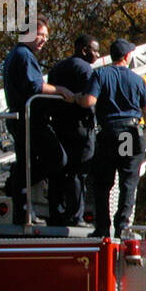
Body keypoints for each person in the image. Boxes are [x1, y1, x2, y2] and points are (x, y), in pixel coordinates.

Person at [82, 39, 146, 238]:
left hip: (108, 133)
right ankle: (122, 226)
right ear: (126, 57)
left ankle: (102, 227)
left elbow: (89, 101)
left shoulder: (100, 74)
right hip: (128, 134)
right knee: (127, 181)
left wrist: (75, 98)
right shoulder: (137, 80)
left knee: (103, 183)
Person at [2, 18, 74, 224]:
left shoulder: (15, 55)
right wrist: (61, 90)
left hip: (20, 118)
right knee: (58, 159)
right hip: (30, 119)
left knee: (28, 161)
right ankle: (16, 182)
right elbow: (35, 86)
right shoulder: (24, 56)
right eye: (41, 35)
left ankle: (23, 205)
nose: (44, 40)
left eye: (46, 37)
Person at [47, 34, 101, 227]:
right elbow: (91, 101)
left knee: (60, 171)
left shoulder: (57, 69)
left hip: (59, 127)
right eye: (95, 50)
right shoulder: (86, 70)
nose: (98, 54)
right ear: (85, 50)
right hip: (81, 128)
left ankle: (56, 213)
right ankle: (75, 216)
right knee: (79, 173)